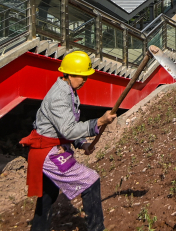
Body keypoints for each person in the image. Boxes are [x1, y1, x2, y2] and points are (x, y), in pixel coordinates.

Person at [20, 50, 116, 231]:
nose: (85, 80)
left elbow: (66, 125)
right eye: (82, 76)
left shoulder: (69, 90)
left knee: (48, 194)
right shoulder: (59, 96)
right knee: (90, 180)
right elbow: (68, 129)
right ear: (69, 74)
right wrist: (99, 122)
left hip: (53, 148)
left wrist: (81, 143)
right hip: (48, 152)